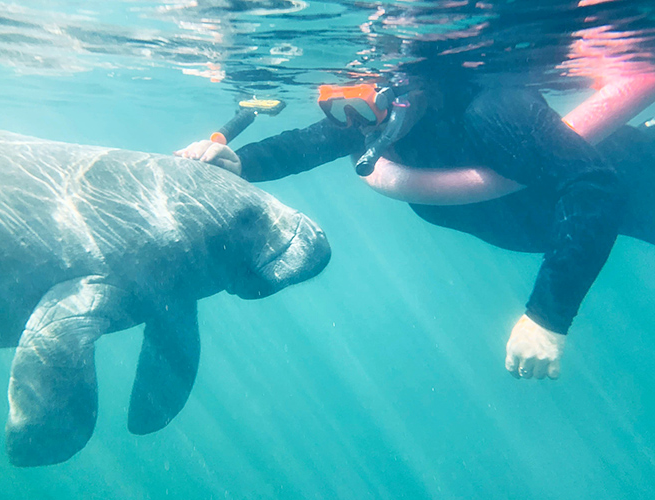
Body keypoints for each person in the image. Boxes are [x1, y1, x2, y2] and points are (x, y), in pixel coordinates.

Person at [175, 75, 628, 381]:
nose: (356, 124)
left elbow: (595, 187)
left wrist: (548, 317)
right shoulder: (375, 119)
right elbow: (303, 145)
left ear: (414, 92)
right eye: (346, 109)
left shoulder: (493, 111)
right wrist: (240, 164)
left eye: (370, 108)